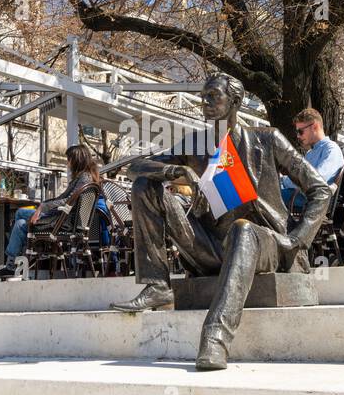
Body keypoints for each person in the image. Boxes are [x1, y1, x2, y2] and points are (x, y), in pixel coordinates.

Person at [109, 73, 330, 371]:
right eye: (204, 96)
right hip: (212, 246)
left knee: (243, 230)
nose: (206, 102)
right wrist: (173, 172)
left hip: (264, 243)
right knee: (144, 186)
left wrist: (297, 238)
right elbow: (136, 166)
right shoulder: (197, 144)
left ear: (235, 101)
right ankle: (157, 285)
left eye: (214, 96)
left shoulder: (267, 139)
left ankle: (215, 337)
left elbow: (320, 190)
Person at [0, 143, 107, 277]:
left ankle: (16, 261)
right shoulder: (87, 177)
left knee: (20, 222)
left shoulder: (84, 178)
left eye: (69, 160)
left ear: (77, 160)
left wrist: (43, 207)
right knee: (21, 216)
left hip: (64, 221)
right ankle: (24, 254)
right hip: (65, 218)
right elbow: (65, 198)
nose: (68, 164)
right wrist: (42, 205)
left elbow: (68, 200)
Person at [280, 108, 344, 210]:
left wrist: (284, 181)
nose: (298, 136)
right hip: (299, 196)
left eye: (300, 131)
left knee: (258, 196)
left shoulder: (331, 149)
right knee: (253, 192)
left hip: (310, 202)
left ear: (314, 126)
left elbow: (316, 180)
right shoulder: (310, 153)